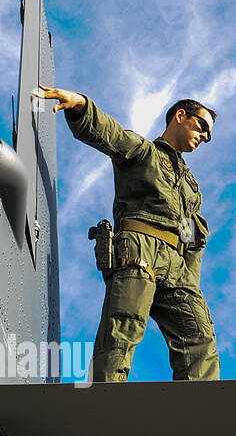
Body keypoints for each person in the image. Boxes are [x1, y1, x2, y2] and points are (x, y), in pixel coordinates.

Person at [36, 87, 220, 382]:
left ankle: (200, 409)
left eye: (209, 135)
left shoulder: (191, 187)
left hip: (177, 264)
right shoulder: (144, 153)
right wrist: (82, 107)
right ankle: (105, 399)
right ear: (180, 116)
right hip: (139, 251)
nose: (205, 137)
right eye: (202, 126)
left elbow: (192, 237)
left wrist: (190, 282)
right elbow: (113, 136)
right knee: (123, 329)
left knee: (198, 336)